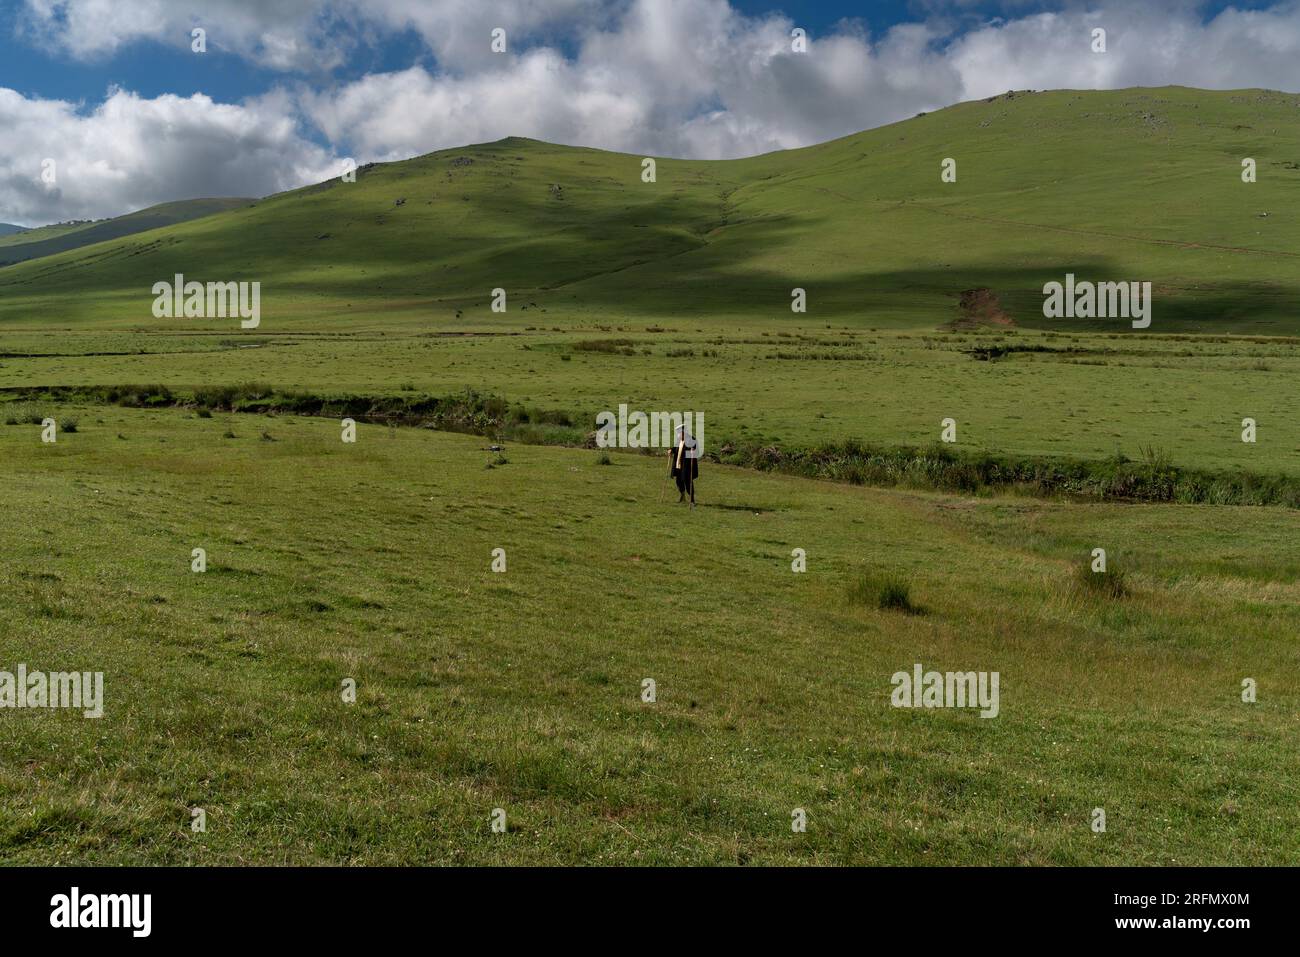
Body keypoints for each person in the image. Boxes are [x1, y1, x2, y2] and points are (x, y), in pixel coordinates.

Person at [668, 423, 699, 507]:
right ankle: (682, 496)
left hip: (687, 465)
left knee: (688, 482)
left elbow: (696, 450)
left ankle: (692, 500)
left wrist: (693, 451)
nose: (678, 434)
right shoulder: (680, 439)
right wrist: (671, 450)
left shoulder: (691, 439)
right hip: (678, 464)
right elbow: (675, 447)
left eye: (680, 432)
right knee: (678, 481)